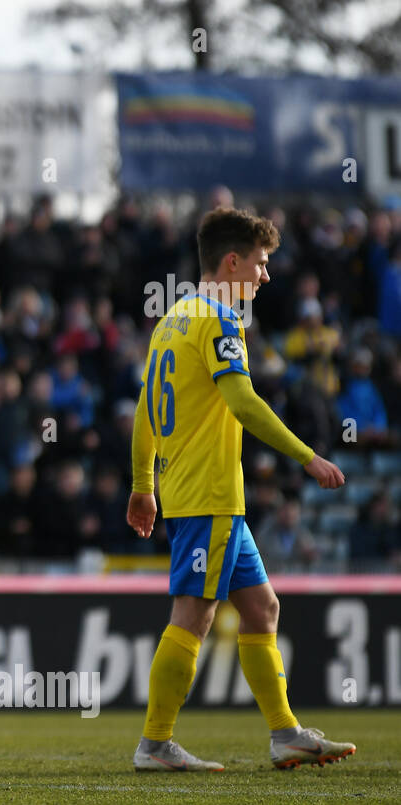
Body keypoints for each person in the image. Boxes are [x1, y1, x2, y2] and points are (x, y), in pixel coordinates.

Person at [126, 207, 356, 772]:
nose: (265, 276)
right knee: (194, 615)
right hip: (208, 494)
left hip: (204, 495)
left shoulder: (171, 319)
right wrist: (307, 456)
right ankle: (154, 744)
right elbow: (243, 402)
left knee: (262, 609)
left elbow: (142, 415)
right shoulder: (220, 321)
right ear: (232, 261)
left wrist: (142, 486)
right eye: (260, 263)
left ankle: (286, 735)